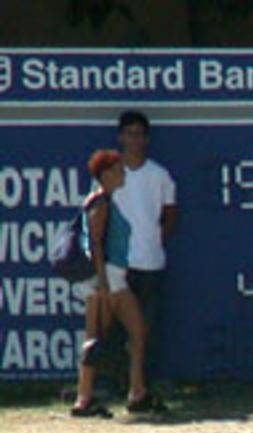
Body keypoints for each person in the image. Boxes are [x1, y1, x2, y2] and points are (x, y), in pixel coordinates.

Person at [97, 109, 177, 411]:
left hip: (151, 264)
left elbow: (170, 216)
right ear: (121, 137)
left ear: (147, 138)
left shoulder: (159, 175)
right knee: (113, 329)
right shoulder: (111, 174)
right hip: (118, 266)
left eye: (140, 134)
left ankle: (140, 389)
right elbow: (98, 217)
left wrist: (154, 240)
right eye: (129, 133)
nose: (135, 139)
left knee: (145, 330)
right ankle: (111, 386)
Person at [70, 150, 151, 417]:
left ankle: (84, 398)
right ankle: (136, 392)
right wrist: (104, 282)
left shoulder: (98, 200)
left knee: (93, 337)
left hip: (98, 278)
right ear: (105, 174)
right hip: (109, 276)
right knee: (137, 329)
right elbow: (95, 242)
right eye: (118, 170)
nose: (123, 174)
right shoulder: (101, 203)